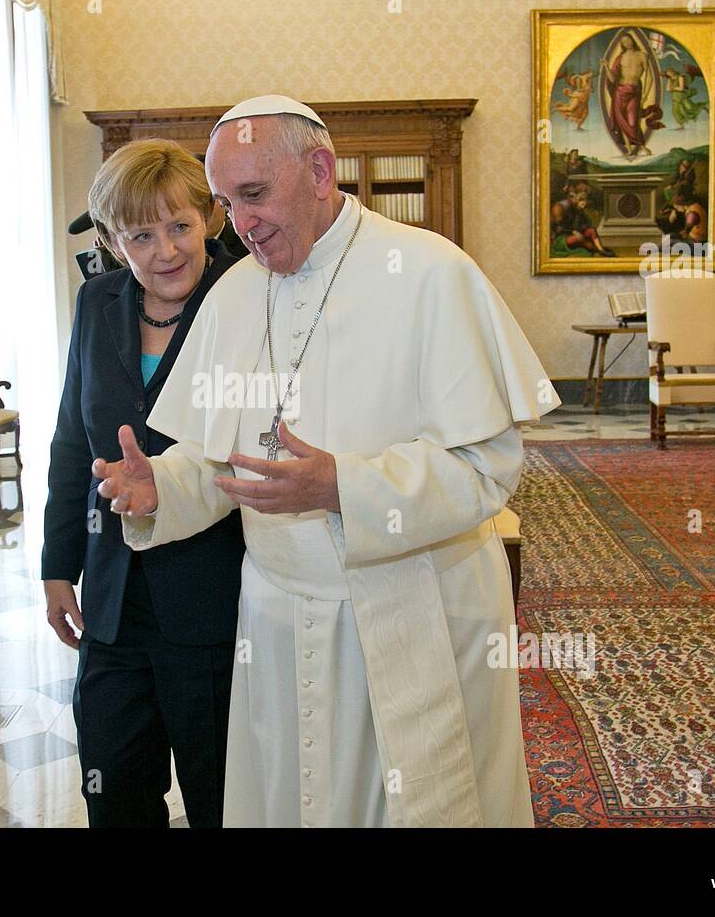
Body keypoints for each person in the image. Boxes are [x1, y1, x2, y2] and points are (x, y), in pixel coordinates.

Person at [93, 95, 561, 827]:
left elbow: (488, 468)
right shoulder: (235, 296)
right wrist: (165, 486)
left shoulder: (430, 273)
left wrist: (347, 486)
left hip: (413, 603)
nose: (240, 224)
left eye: (255, 194)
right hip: (278, 612)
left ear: (319, 171)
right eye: (226, 202)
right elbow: (222, 461)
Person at [41, 138, 244, 827]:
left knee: (221, 796)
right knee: (114, 788)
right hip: (114, 596)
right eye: (141, 235)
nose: (166, 251)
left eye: (180, 226)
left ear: (210, 220)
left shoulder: (247, 301)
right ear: (111, 240)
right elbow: (74, 439)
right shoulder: (96, 302)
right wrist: (56, 565)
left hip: (216, 598)